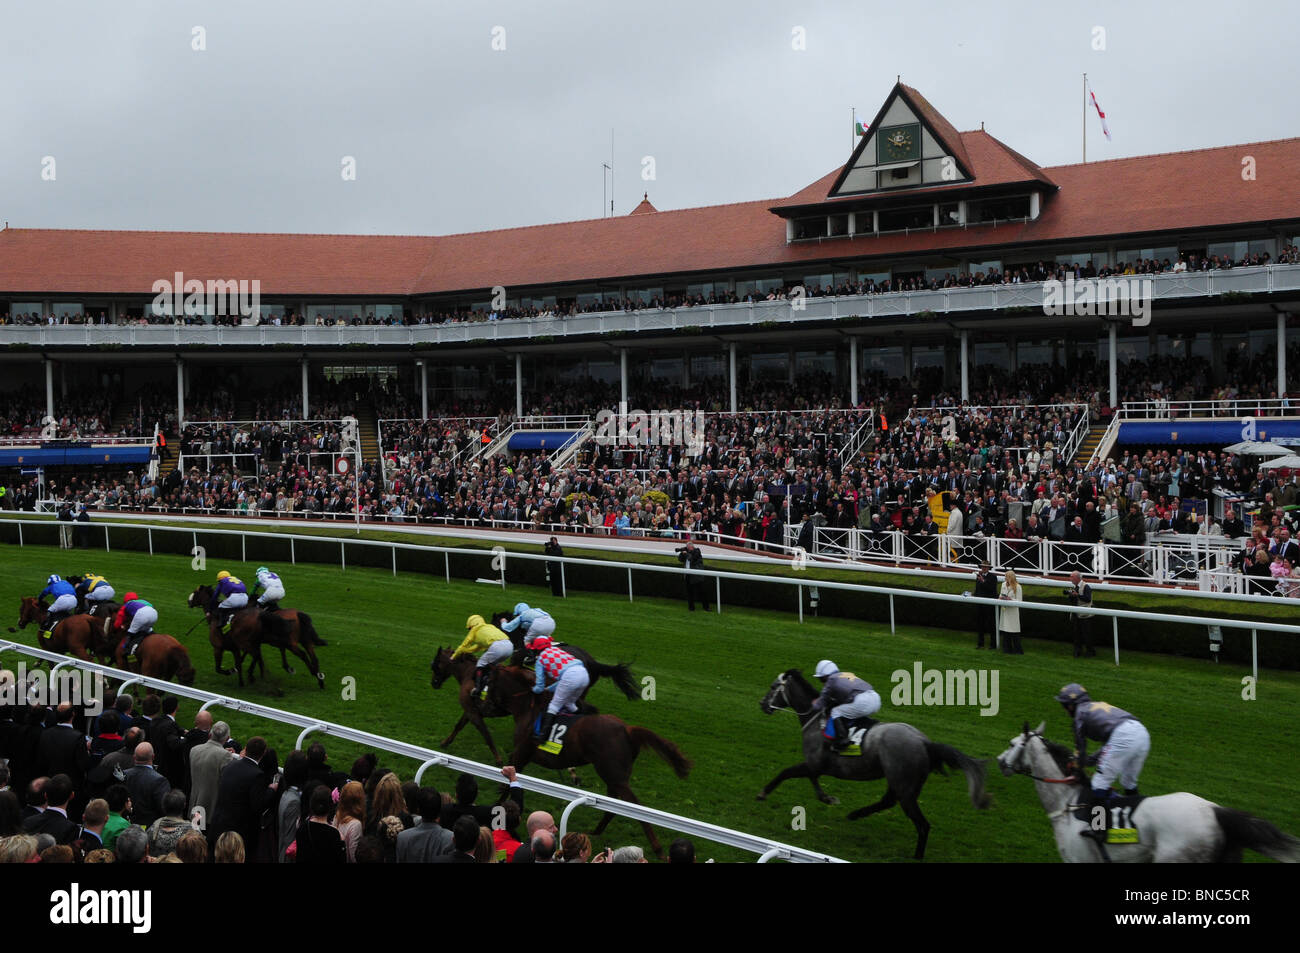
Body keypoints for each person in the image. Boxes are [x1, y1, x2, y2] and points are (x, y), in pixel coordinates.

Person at [1055, 682, 1151, 811]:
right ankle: (1133, 819)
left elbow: (1081, 749)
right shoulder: (1095, 705)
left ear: (1071, 705)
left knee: (1099, 784)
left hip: (1123, 736)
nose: (1065, 709)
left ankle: (1098, 828)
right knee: (1128, 783)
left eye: (1064, 705)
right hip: (1142, 733)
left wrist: (1078, 770)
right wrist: (1090, 761)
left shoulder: (1079, 715)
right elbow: (1111, 745)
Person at [530, 635, 588, 748]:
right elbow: (562, 682)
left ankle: (542, 736)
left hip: (570, 676)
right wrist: (549, 689)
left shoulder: (540, 659)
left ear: (537, 649)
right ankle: (584, 719)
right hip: (584, 674)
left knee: (554, 706)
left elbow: (539, 686)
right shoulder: (557, 649)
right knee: (569, 703)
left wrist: (533, 690)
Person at [809, 660, 881, 751]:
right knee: (849, 710)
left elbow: (821, 703)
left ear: (825, 676)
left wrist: (813, 704)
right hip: (876, 698)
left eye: (821, 679)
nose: (822, 682)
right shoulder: (845, 674)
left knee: (836, 712)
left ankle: (842, 740)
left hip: (863, 701)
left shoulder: (831, 680)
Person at [454, 614, 514, 700]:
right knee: (493, 666)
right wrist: (466, 651)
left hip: (497, 647)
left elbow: (464, 644)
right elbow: (477, 647)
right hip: (509, 646)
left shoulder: (475, 630)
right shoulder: (489, 627)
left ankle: (478, 689)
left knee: (480, 663)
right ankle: (491, 683)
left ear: (472, 625)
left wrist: (453, 656)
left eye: (469, 628)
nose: (470, 630)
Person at [112, 593, 157, 662]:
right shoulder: (141, 601)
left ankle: (126, 651)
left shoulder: (126, 605)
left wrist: (115, 627)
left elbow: (118, 621)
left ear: (125, 601)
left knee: (130, 632)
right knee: (147, 630)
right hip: (154, 613)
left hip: (142, 614)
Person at [1066, 571, 1097, 658]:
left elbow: (1088, 599)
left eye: (1071, 577)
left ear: (1077, 578)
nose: (1070, 578)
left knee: (1087, 634)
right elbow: (1074, 601)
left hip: (1086, 615)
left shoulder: (1086, 586)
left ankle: (1090, 652)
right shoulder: (1075, 587)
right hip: (1076, 614)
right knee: (1076, 634)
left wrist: (1077, 595)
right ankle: (1077, 651)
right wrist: (1071, 596)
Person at [677, 540, 710, 611]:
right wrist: (682, 553)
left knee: (702, 592)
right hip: (688, 575)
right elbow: (680, 559)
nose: (688, 549)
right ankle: (691, 608)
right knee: (689, 593)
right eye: (687, 548)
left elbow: (691, 559)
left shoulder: (697, 551)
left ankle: (706, 607)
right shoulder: (687, 552)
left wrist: (686, 553)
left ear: (692, 547)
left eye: (688, 548)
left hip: (696, 574)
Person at [972, 561, 998, 649]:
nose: (983, 568)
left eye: (985, 567)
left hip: (989, 604)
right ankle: (980, 644)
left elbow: (992, 590)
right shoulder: (979, 576)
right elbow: (977, 589)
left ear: (988, 568)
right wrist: (973, 595)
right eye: (982, 567)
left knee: (991, 625)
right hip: (980, 603)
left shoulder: (993, 577)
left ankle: (993, 644)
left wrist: (983, 581)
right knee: (980, 624)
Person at [998, 569, 1023, 654]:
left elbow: (1019, 600)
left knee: (1014, 631)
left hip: (1013, 612)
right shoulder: (1003, 584)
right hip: (1005, 610)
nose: (1005, 579)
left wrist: (1010, 599)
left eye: (1007, 577)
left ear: (1011, 577)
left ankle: (1018, 650)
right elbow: (1000, 596)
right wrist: (1002, 598)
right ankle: (1007, 650)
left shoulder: (1018, 586)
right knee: (1005, 630)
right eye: (1005, 577)